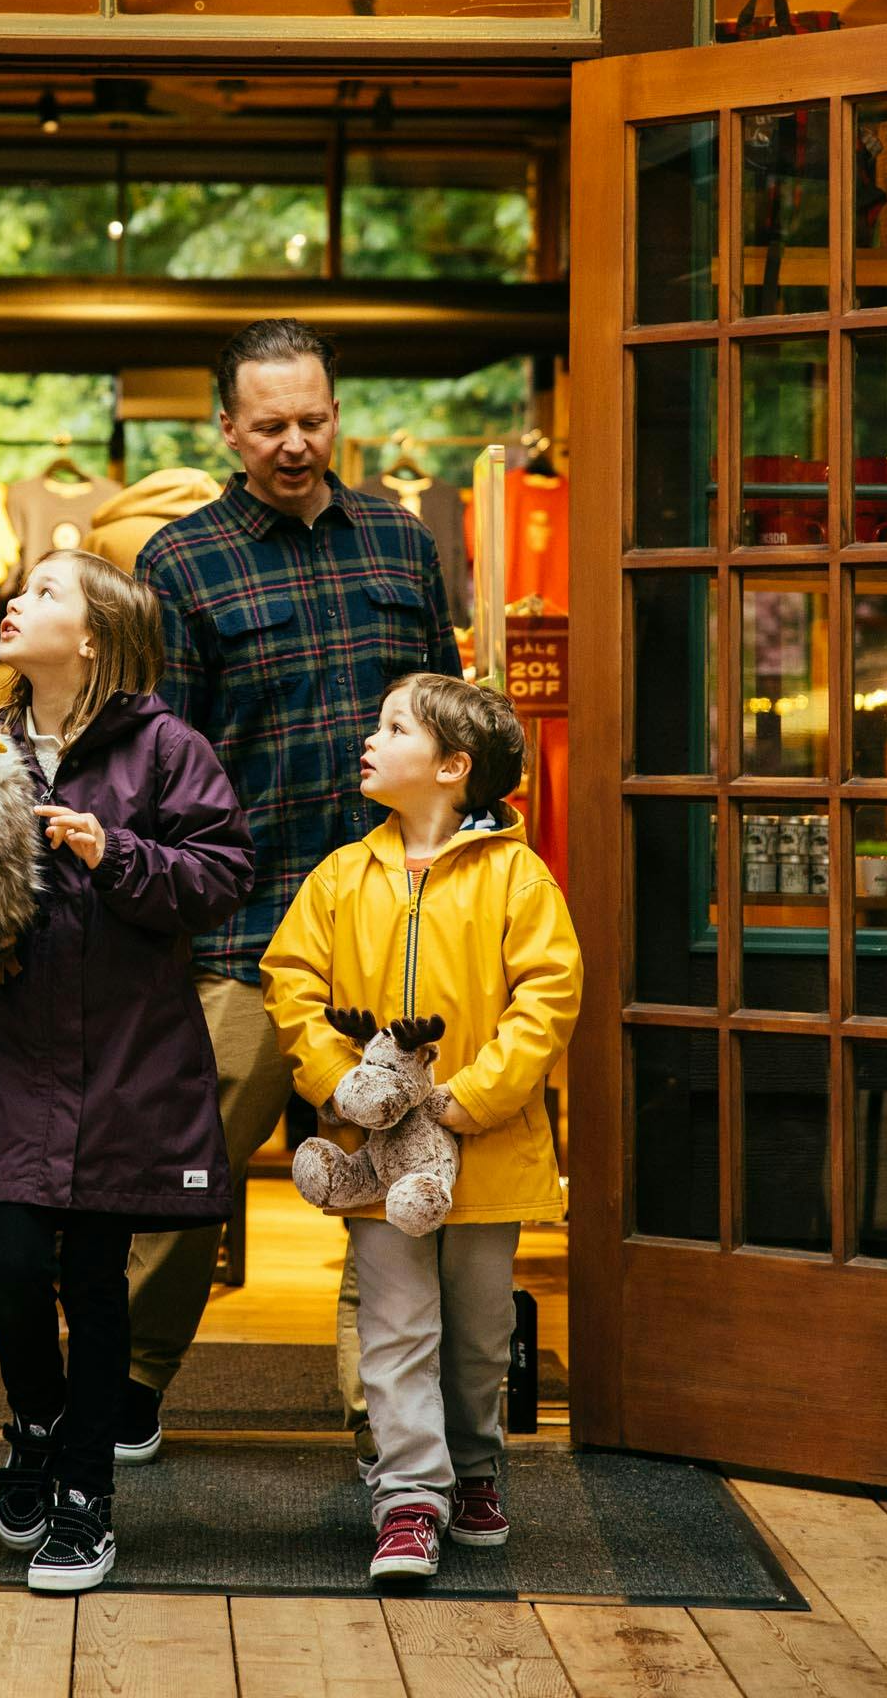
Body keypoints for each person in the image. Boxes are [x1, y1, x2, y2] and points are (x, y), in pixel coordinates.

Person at [121, 317, 460, 1461]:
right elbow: (157, 764)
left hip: (399, 926)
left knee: (395, 1182)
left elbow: (448, 729)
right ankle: (125, 1382)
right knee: (185, 1168)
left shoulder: (403, 547)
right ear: (226, 428)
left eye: (311, 419)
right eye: (267, 425)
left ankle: (387, 1410)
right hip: (243, 932)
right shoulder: (180, 564)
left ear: (333, 412)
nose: (294, 443)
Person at [0, 548, 253, 1593]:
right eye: (17, 590)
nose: (13, 603)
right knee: (11, 1261)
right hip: (10, 1053)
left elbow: (221, 875)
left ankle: (85, 1492)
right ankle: (33, 1423)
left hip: (127, 1053)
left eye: (41, 593)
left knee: (95, 1275)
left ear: (91, 637)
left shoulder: (166, 747)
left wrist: (109, 852)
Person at [261, 674, 582, 1580]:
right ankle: (407, 1495)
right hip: (377, 1160)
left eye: (392, 726)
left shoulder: (519, 878)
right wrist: (340, 1084)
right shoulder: (340, 876)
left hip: (486, 1148)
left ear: (451, 766)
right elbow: (290, 981)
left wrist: (470, 1097)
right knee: (395, 1324)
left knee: (478, 1330)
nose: (370, 736)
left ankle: (474, 1465)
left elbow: (548, 995)